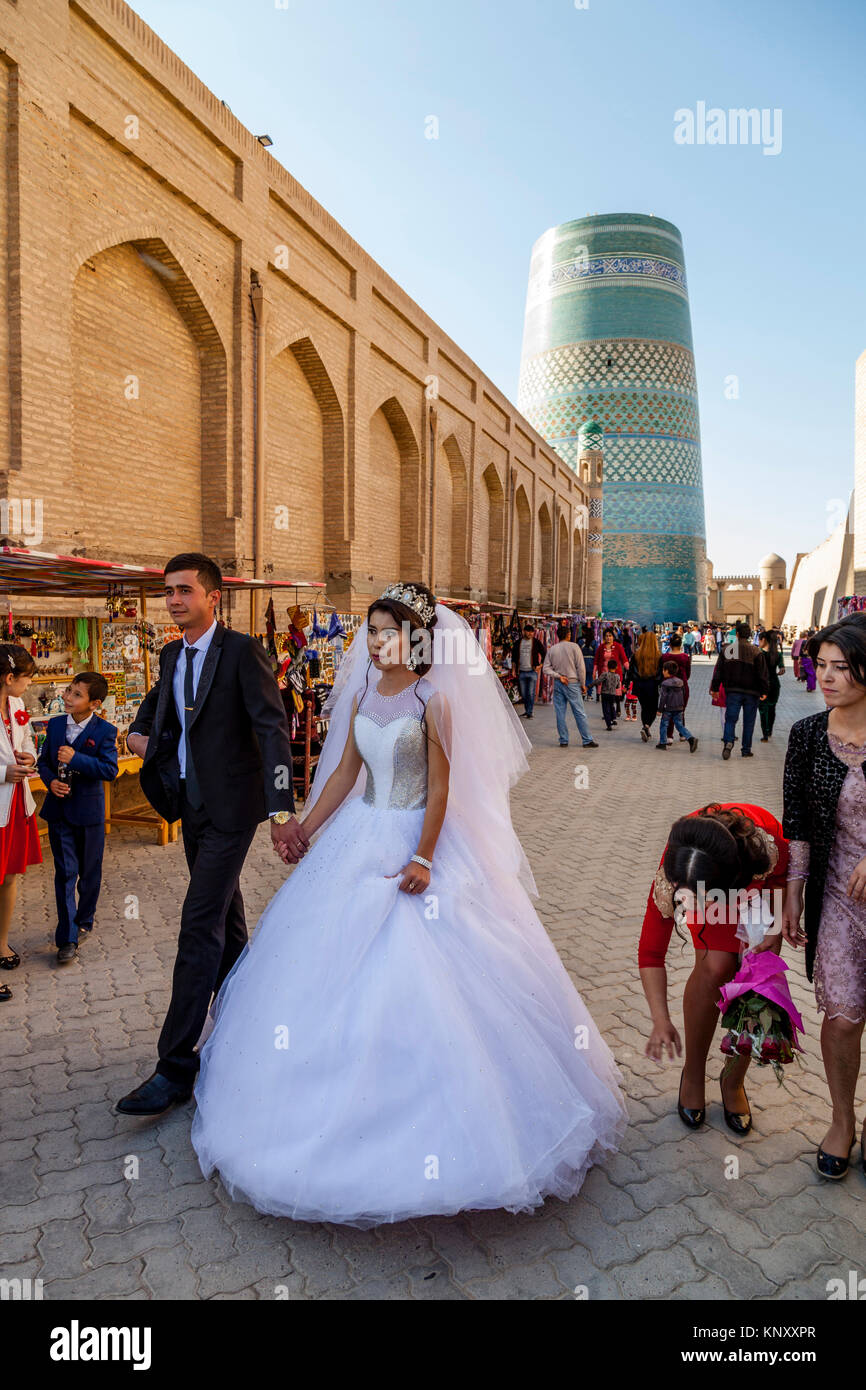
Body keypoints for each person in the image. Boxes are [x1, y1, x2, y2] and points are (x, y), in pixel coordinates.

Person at [190, 583, 626, 1224]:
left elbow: (442, 790)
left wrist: (423, 856)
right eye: (370, 632)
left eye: (387, 632)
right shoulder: (367, 692)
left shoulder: (435, 701)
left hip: (415, 839)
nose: (375, 642)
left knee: (432, 968)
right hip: (358, 834)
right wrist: (306, 827)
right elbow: (344, 772)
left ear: (417, 639)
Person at [116, 553, 307, 1116]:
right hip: (187, 809)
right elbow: (152, 720)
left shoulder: (244, 652)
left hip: (231, 812)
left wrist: (280, 812)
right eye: (167, 591)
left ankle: (175, 1067)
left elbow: (274, 733)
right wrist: (141, 741)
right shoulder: (170, 654)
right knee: (228, 924)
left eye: (183, 591)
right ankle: (251, 1029)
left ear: (211, 597)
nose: (173, 600)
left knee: (199, 924)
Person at [639, 802, 788, 1133]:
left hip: (751, 889)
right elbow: (651, 952)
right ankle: (692, 1074)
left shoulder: (766, 840)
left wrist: (774, 928)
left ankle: (733, 1080)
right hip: (711, 878)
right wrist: (660, 1020)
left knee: (755, 976)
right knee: (715, 966)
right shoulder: (679, 865)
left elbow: (780, 878)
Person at [782, 619, 866, 1179]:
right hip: (836, 896)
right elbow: (798, 823)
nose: (825, 677)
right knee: (841, 1016)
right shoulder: (808, 735)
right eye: (822, 665)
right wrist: (792, 892)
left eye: (840, 667)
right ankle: (842, 1120)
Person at [37, 672, 118, 963]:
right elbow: (43, 762)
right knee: (65, 874)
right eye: (69, 692)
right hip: (59, 812)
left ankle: (85, 920)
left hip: (90, 813)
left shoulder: (106, 731)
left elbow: (109, 770)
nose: (68, 698)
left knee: (90, 874)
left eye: (77, 695)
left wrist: (77, 759)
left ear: (94, 703)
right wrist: (50, 782)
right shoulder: (56, 724)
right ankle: (67, 938)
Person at [0, 645, 43, 1002]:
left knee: (9, 875)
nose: (28, 686)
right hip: (1, 794)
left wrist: (30, 753)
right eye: (26, 678)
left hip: (15, 803)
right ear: (10, 678)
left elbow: (26, 739)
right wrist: (2, 772)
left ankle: (1, 942)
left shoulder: (15, 706)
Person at [710, 621, 769, 759]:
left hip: (733, 691)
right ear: (749, 635)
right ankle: (746, 749)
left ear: (736, 634)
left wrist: (715, 688)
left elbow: (719, 670)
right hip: (752, 693)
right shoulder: (756, 651)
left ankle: (728, 742)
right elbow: (762, 674)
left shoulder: (729, 649)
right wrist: (764, 691)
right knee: (749, 721)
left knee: (730, 719)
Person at [541, 621, 598, 749]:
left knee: (560, 713)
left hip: (559, 682)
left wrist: (558, 676)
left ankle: (563, 740)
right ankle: (587, 740)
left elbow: (545, 669)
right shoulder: (574, 647)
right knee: (579, 712)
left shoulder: (553, 649)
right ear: (568, 635)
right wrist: (583, 684)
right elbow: (581, 667)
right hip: (572, 682)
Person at [656, 661, 698, 752]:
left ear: (667, 671)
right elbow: (683, 693)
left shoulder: (665, 683)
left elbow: (663, 697)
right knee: (679, 725)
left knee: (664, 724)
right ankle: (690, 738)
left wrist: (660, 709)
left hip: (668, 708)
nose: (662, 671)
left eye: (663, 670)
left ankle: (663, 743)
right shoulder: (680, 682)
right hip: (679, 707)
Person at [632, 629, 663, 742]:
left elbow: (632, 671)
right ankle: (646, 726)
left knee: (644, 708)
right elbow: (660, 673)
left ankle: (646, 727)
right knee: (653, 709)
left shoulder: (636, 655)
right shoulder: (659, 656)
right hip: (652, 685)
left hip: (640, 685)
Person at [512, 621, 545, 720]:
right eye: (528, 632)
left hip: (532, 671)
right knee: (523, 693)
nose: (530, 634)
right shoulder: (518, 643)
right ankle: (527, 711)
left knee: (530, 693)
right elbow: (514, 658)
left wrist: (540, 666)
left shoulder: (536, 642)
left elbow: (544, 654)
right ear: (524, 632)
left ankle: (529, 712)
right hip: (521, 671)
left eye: (532, 632)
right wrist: (513, 670)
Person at [758, 630, 785, 741]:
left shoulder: (760, 653)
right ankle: (769, 731)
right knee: (772, 708)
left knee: (763, 710)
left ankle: (765, 734)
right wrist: (781, 670)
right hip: (775, 684)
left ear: (765, 639)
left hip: (763, 684)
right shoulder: (778, 654)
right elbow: (782, 668)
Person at [599, 660, 621, 731]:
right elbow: (618, 686)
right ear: (616, 667)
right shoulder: (617, 676)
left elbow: (598, 681)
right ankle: (614, 718)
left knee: (606, 709)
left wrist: (590, 686)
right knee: (612, 706)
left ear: (607, 667)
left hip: (605, 694)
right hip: (612, 694)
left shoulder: (605, 674)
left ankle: (609, 725)